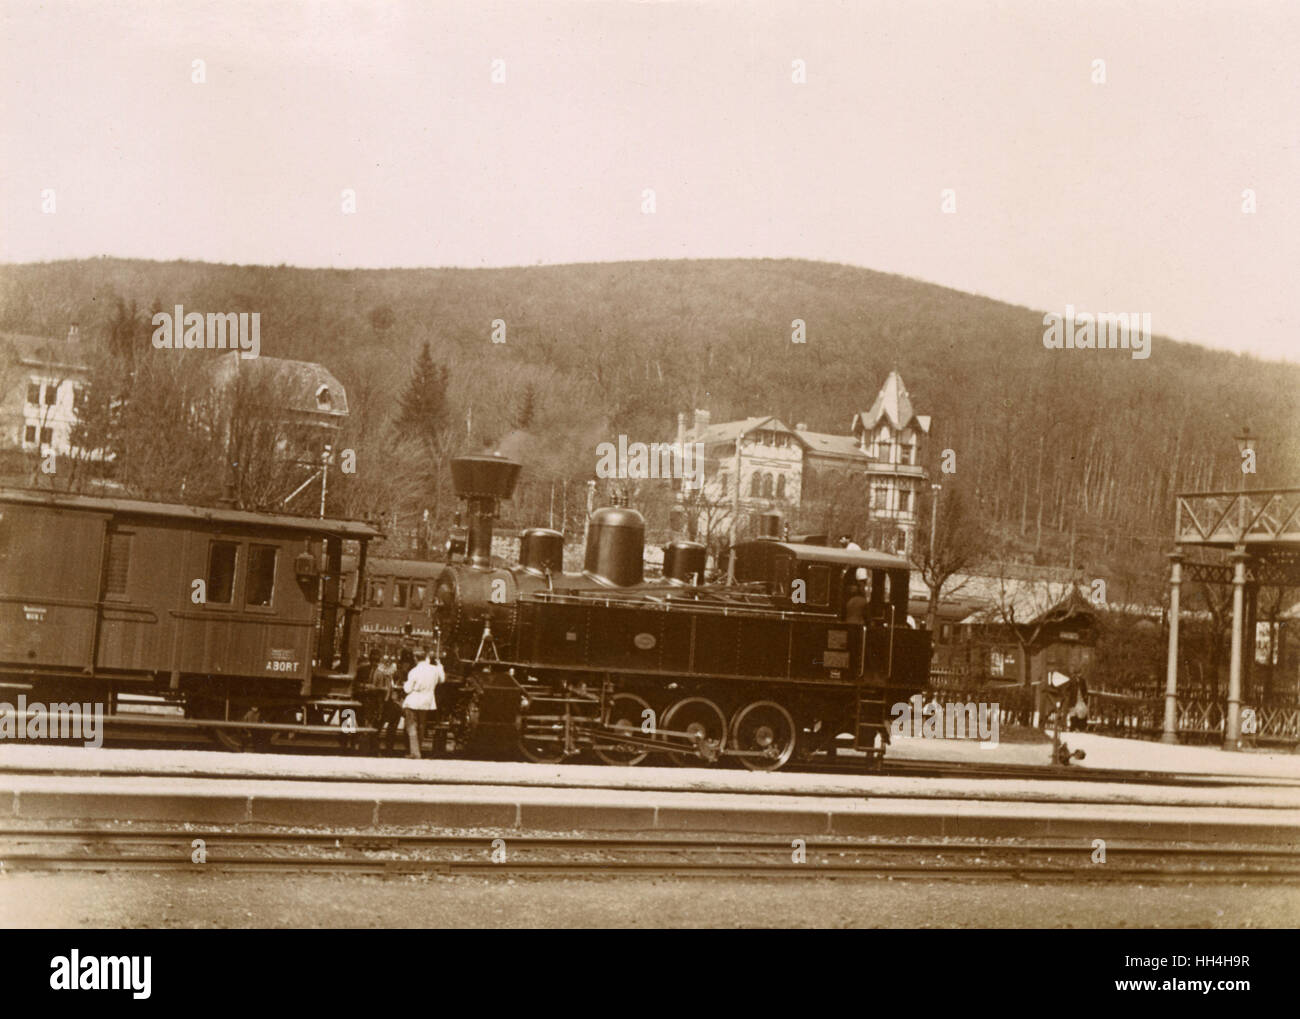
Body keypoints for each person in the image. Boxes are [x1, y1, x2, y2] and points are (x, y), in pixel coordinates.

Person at [402, 650, 445, 760]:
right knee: (421, 726)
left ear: (415, 658)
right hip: (427, 701)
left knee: (411, 726)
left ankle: (415, 753)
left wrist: (404, 684)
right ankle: (418, 750)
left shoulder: (414, 671)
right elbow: (442, 680)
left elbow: (407, 690)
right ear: (426, 657)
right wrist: (440, 666)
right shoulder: (434, 670)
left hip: (413, 700)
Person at [372, 654, 402, 755]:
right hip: (381, 702)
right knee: (379, 725)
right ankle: (380, 748)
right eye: (386, 661)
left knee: (393, 718)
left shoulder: (387, 673)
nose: (388, 663)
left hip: (386, 702)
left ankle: (386, 748)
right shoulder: (380, 672)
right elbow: (377, 689)